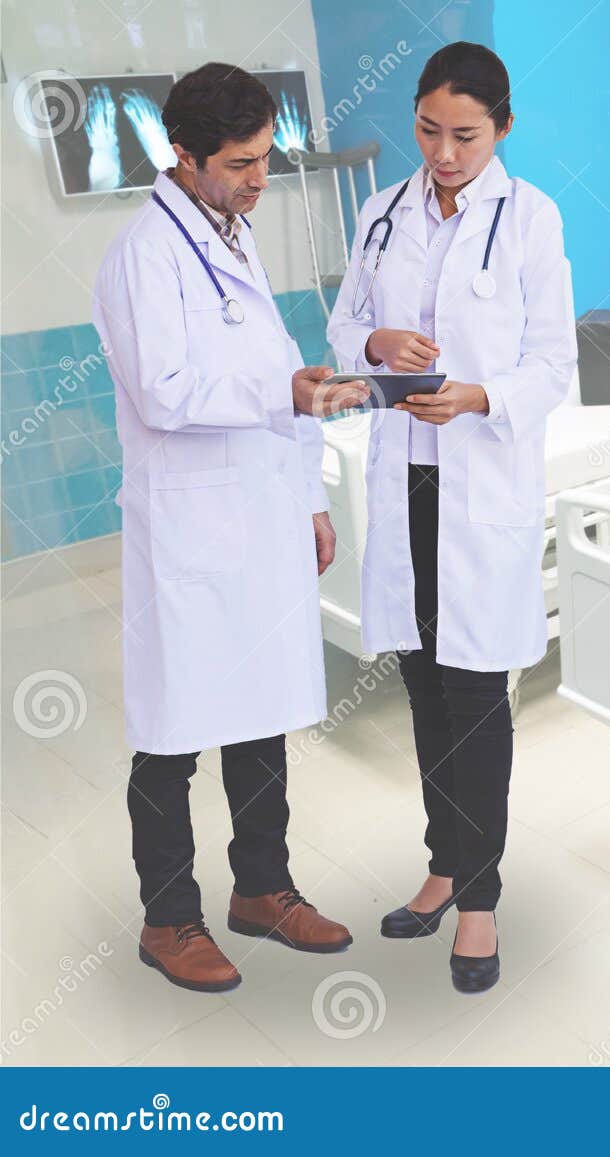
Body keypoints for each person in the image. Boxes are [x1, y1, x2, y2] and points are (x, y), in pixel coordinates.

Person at [92, 63, 368, 992]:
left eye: (266, 159)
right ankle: (169, 917)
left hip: (260, 514)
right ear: (183, 154)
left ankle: (264, 890)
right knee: (171, 733)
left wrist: (312, 498)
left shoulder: (234, 234)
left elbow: (279, 367)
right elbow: (165, 394)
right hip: (189, 530)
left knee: (259, 719)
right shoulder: (144, 253)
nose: (259, 179)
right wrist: (282, 392)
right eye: (241, 163)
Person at [326, 42, 577, 994]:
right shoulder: (383, 212)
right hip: (406, 482)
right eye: (428, 130)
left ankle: (479, 899)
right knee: (424, 685)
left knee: (476, 696)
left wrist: (477, 397)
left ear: (501, 128)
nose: (442, 151)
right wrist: (374, 340)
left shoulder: (530, 220)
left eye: (464, 135)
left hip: (480, 481)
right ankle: (443, 858)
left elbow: (553, 363)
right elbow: (346, 326)